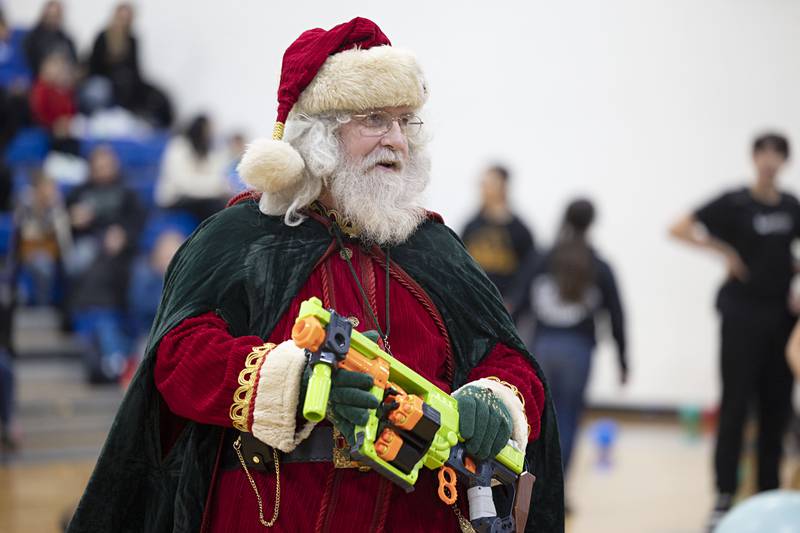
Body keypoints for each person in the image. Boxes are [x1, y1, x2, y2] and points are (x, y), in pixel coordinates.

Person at [67, 18, 564, 533]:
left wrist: (497, 397)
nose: (396, 140)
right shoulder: (238, 239)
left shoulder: (435, 248)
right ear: (320, 136)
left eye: (405, 121)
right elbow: (178, 358)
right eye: (375, 119)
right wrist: (300, 381)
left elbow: (507, 356)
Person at [669, 132, 799, 529]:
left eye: (778, 154)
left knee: (776, 409)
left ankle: (768, 492)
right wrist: (723, 252)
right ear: (754, 157)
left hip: (781, 319)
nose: (770, 160)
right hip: (742, 317)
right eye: (765, 152)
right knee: (736, 405)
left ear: (784, 161)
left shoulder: (791, 205)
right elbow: (679, 226)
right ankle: (725, 496)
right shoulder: (734, 202)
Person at [510, 199, 627, 495]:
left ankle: (529, 484)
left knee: (536, 417)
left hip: (544, 347)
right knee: (570, 418)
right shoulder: (599, 265)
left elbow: (518, 303)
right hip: (579, 351)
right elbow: (616, 314)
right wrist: (623, 361)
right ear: (591, 224)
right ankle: (557, 490)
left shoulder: (543, 258)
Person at [65, 145, 144, 382]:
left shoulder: (127, 192)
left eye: (106, 165)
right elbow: (64, 222)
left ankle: (109, 348)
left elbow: (137, 223)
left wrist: (123, 235)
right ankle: (112, 351)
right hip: (88, 244)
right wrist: (73, 220)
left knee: (103, 269)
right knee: (84, 259)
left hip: (118, 253)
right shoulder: (80, 192)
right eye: (98, 166)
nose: (102, 170)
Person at [461, 165, 535, 302]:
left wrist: (514, 301)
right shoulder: (471, 226)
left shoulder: (520, 230)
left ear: (503, 187)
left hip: (505, 306)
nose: (484, 189)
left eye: (490, 184)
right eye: (483, 184)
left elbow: (528, 273)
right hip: (474, 302)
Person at [155, 114, 233, 221]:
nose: (211, 134)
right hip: (175, 199)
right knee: (214, 207)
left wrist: (216, 186)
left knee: (228, 205)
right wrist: (215, 187)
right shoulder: (179, 147)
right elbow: (183, 183)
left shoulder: (209, 151)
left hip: (201, 198)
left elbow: (220, 178)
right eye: (208, 130)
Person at [22, 1, 77, 77]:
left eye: (56, 16)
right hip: (40, 79)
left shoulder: (66, 39)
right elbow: (29, 60)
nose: (53, 19)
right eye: (50, 16)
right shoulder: (33, 38)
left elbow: (74, 62)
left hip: (65, 80)